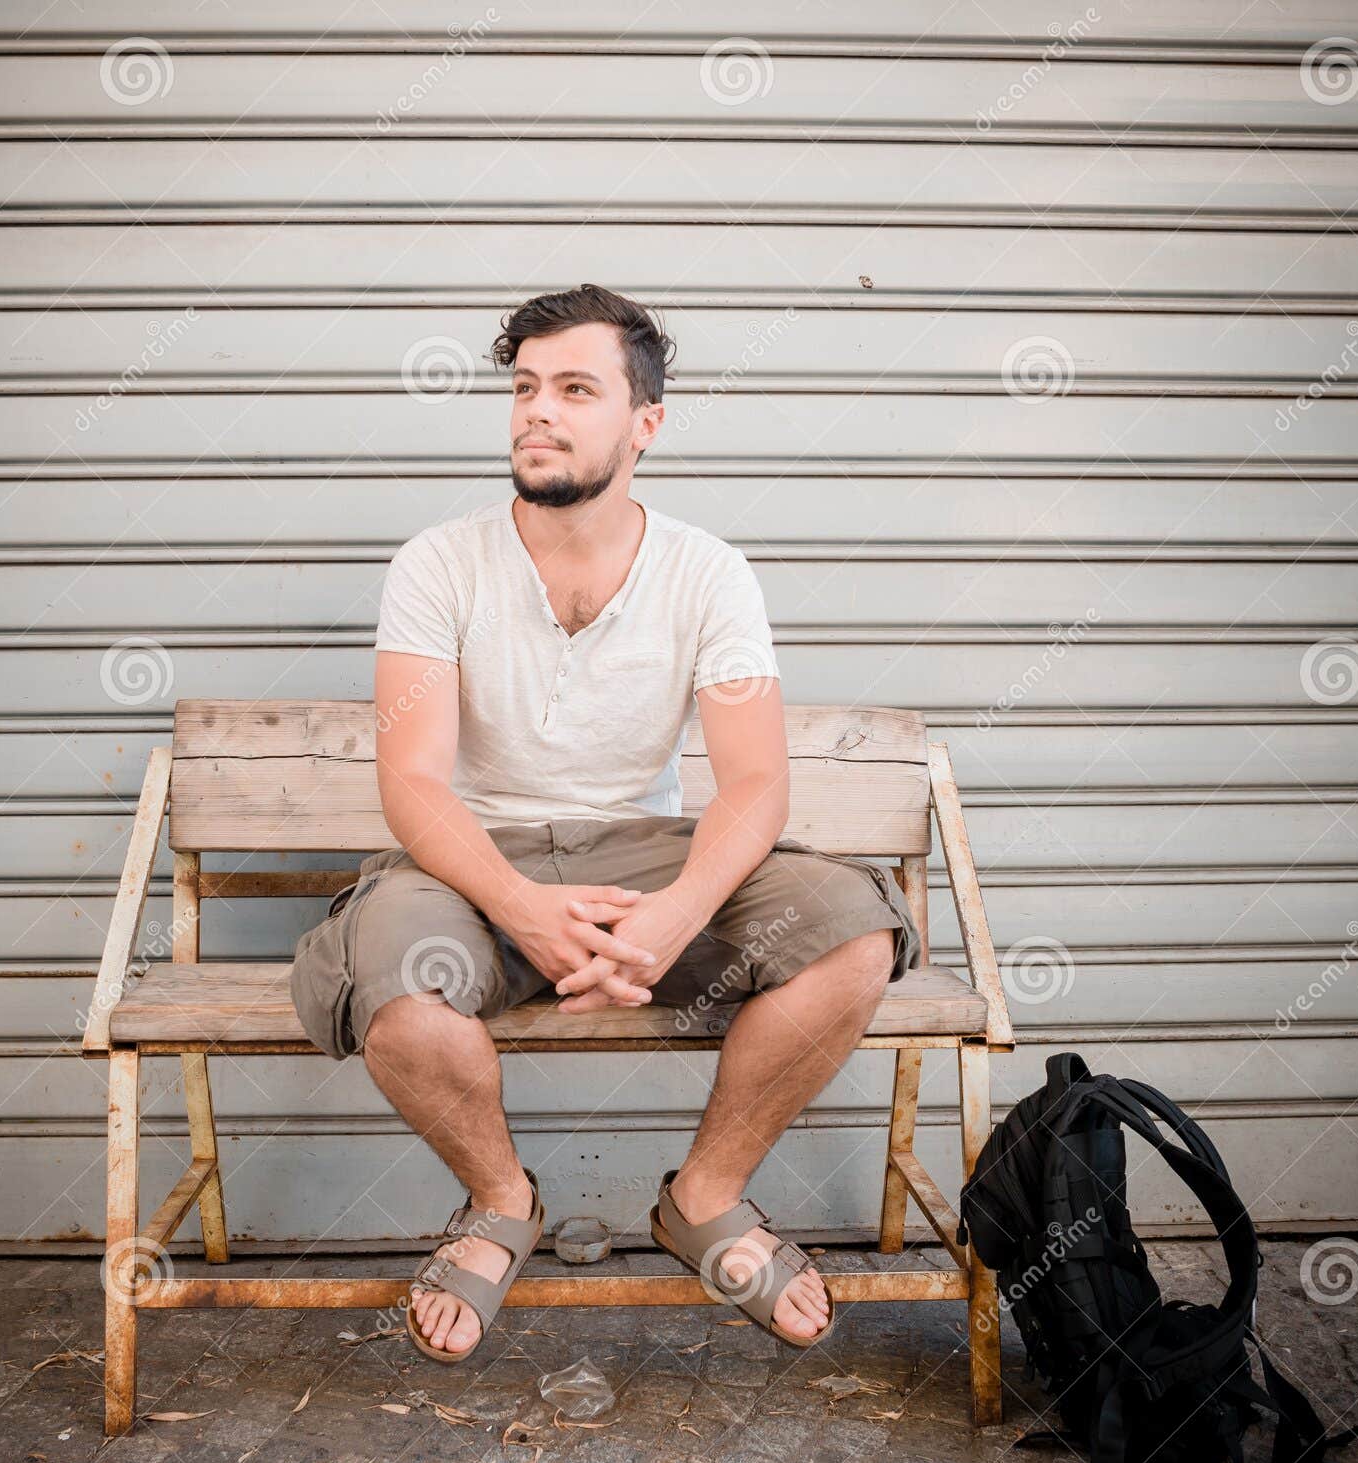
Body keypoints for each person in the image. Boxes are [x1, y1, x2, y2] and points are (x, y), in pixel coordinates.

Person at [290, 282, 920, 1362]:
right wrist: (522, 907)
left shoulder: (707, 571)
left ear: (645, 424)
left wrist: (677, 914)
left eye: (575, 387)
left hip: (642, 860)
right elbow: (415, 787)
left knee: (852, 931)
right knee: (399, 997)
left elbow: (754, 785)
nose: (537, 409)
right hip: (471, 866)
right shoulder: (437, 564)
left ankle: (707, 1198)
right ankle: (499, 1204)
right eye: (525, 387)